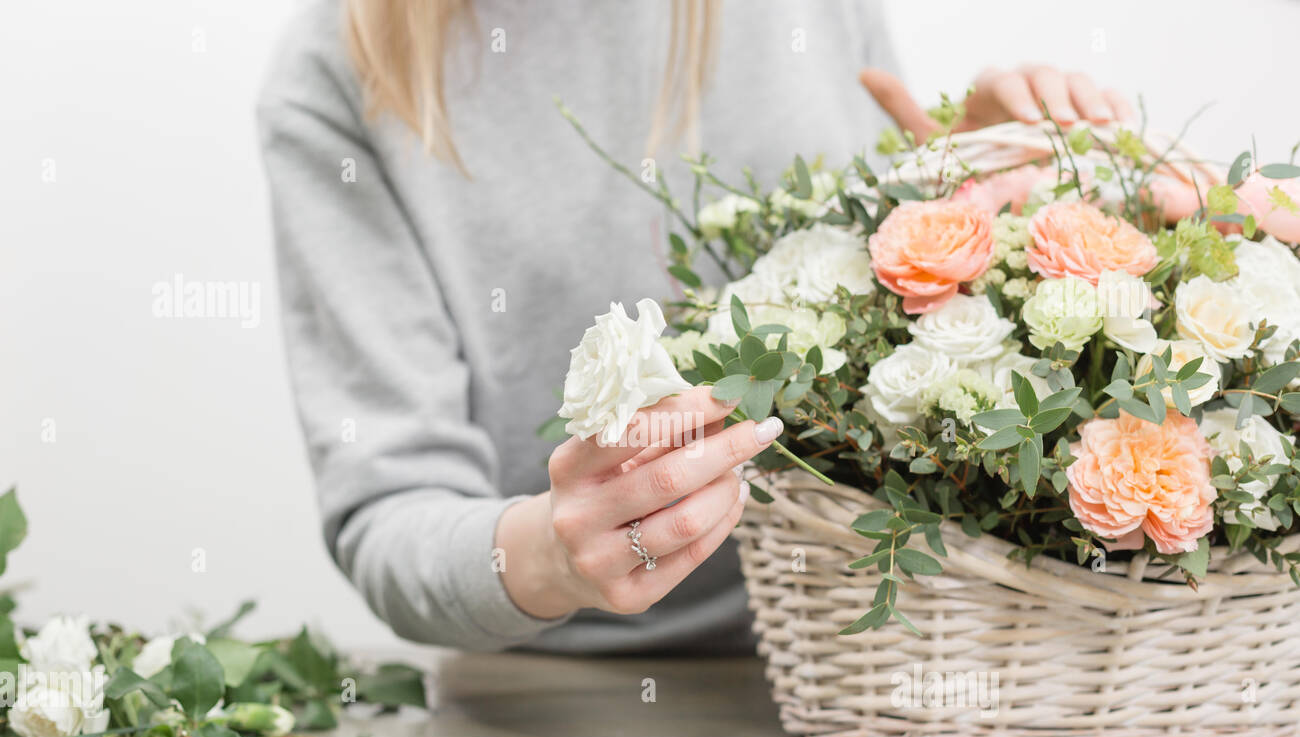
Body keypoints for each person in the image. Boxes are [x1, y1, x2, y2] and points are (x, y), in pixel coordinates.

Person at [257, 0, 1132, 654]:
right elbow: (391, 514)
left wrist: (973, 190)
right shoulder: (339, 70)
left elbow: (879, 317)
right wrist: (552, 561)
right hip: (565, 712)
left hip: (887, 664)